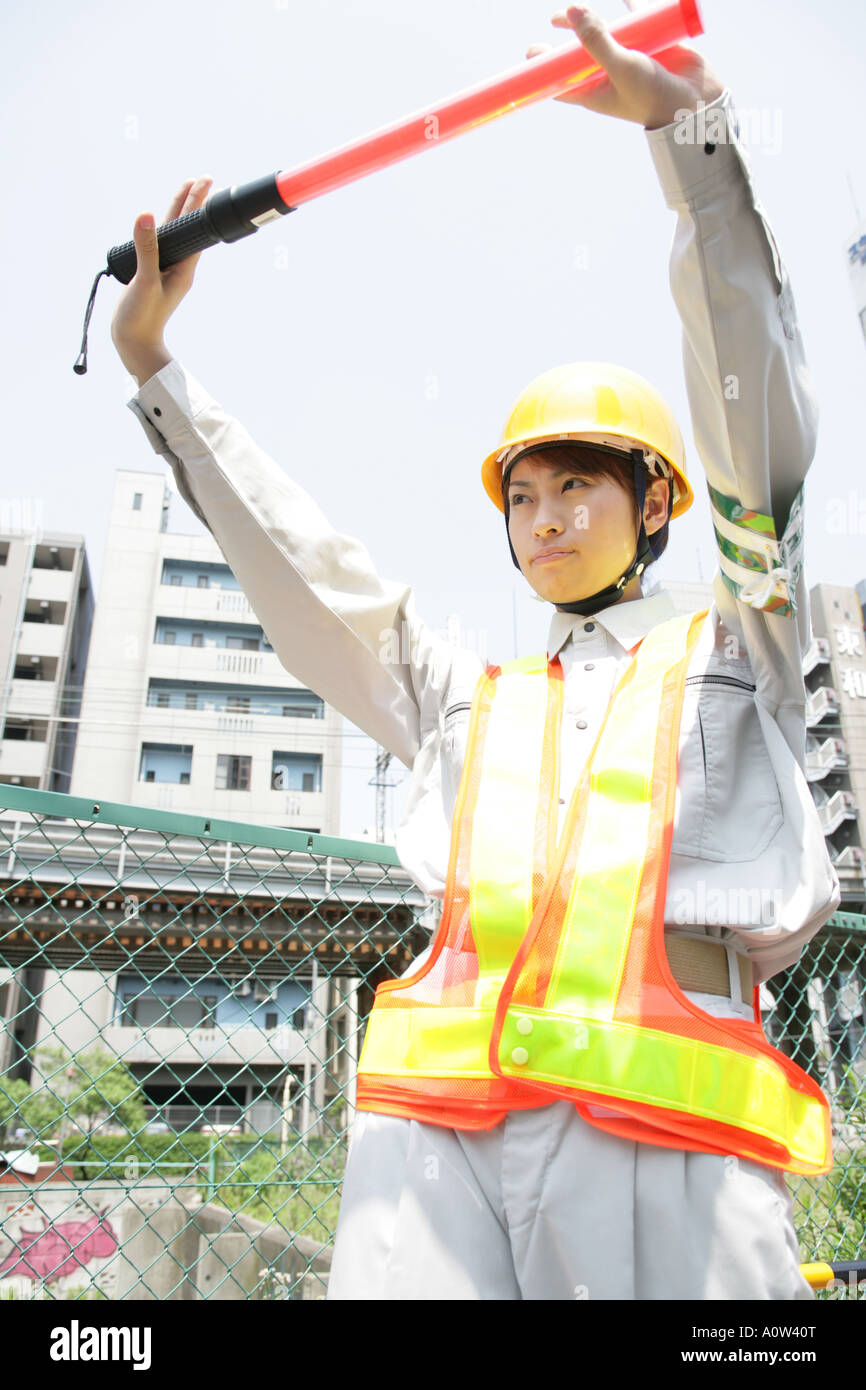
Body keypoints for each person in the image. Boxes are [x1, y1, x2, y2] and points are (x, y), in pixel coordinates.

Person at [112, 6, 840, 1300]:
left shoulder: (742, 641)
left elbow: (750, 400)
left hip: (665, 1136)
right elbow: (306, 570)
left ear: (657, 502)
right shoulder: (470, 698)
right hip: (430, 1148)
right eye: (523, 495)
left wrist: (693, 138)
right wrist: (156, 365)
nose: (545, 516)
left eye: (577, 486)